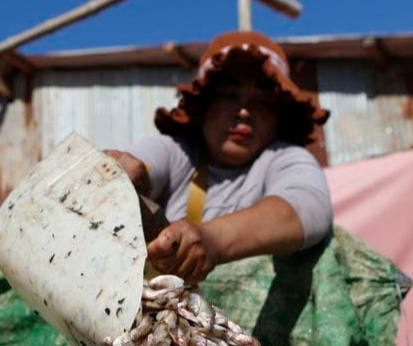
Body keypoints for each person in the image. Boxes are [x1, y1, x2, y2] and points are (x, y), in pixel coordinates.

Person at [107, 31, 333, 285]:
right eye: (229, 95)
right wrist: (119, 173)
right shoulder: (177, 152)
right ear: (203, 105)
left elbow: (308, 208)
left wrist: (211, 240)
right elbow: (139, 166)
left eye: (263, 101)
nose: (244, 112)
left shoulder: (285, 158)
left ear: (279, 115)